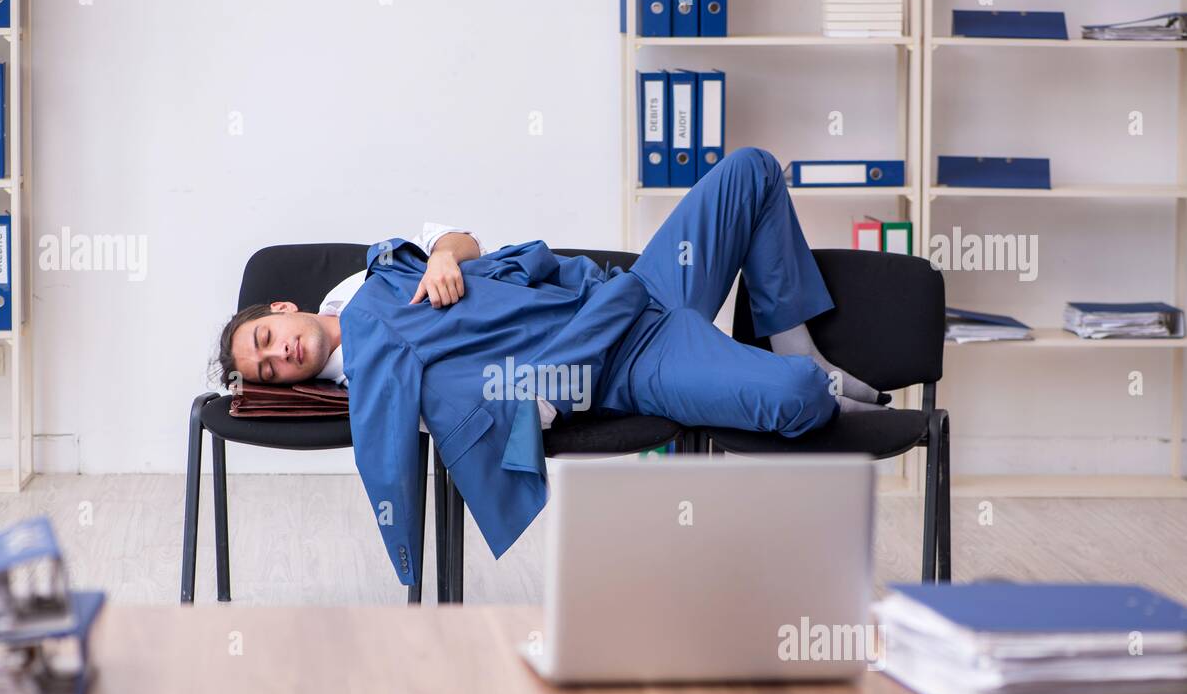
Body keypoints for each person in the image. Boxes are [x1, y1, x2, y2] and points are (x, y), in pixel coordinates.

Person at [214, 148, 890, 586]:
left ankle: (792, 338)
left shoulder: (377, 269)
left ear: (283, 307)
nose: (280, 354)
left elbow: (461, 239)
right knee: (798, 395)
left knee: (751, 169)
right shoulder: (372, 379)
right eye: (269, 369)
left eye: (269, 337)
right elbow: (440, 420)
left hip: (634, 289)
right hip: (628, 360)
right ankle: (795, 373)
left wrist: (446, 256)